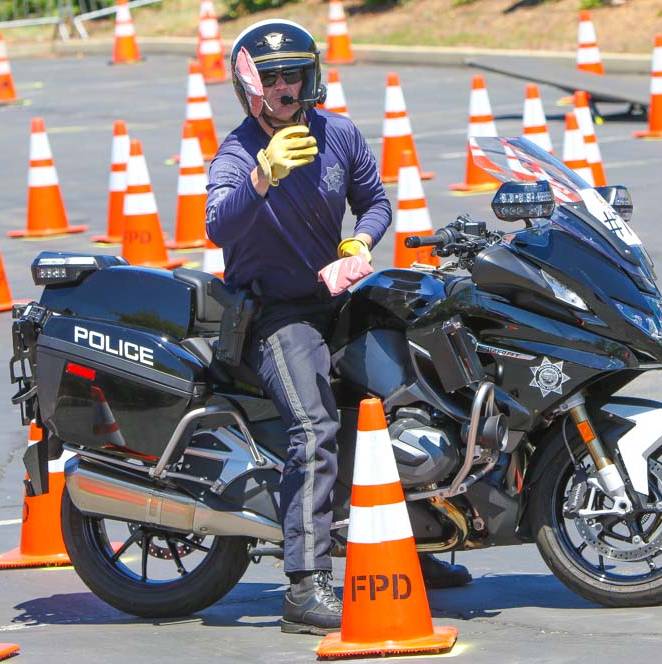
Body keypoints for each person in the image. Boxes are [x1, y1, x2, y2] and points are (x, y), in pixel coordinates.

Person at [206, 18, 471, 637]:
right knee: (314, 424)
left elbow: (375, 200)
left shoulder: (339, 134)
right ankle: (304, 587)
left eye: (293, 74)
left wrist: (359, 239)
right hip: (275, 312)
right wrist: (263, 176)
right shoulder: (239, 152)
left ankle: (404, 548)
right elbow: (218, 225)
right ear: (249, 88)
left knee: (406, 400)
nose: (284, 88)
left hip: (340, 301)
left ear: (313, 75)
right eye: (270, 78)